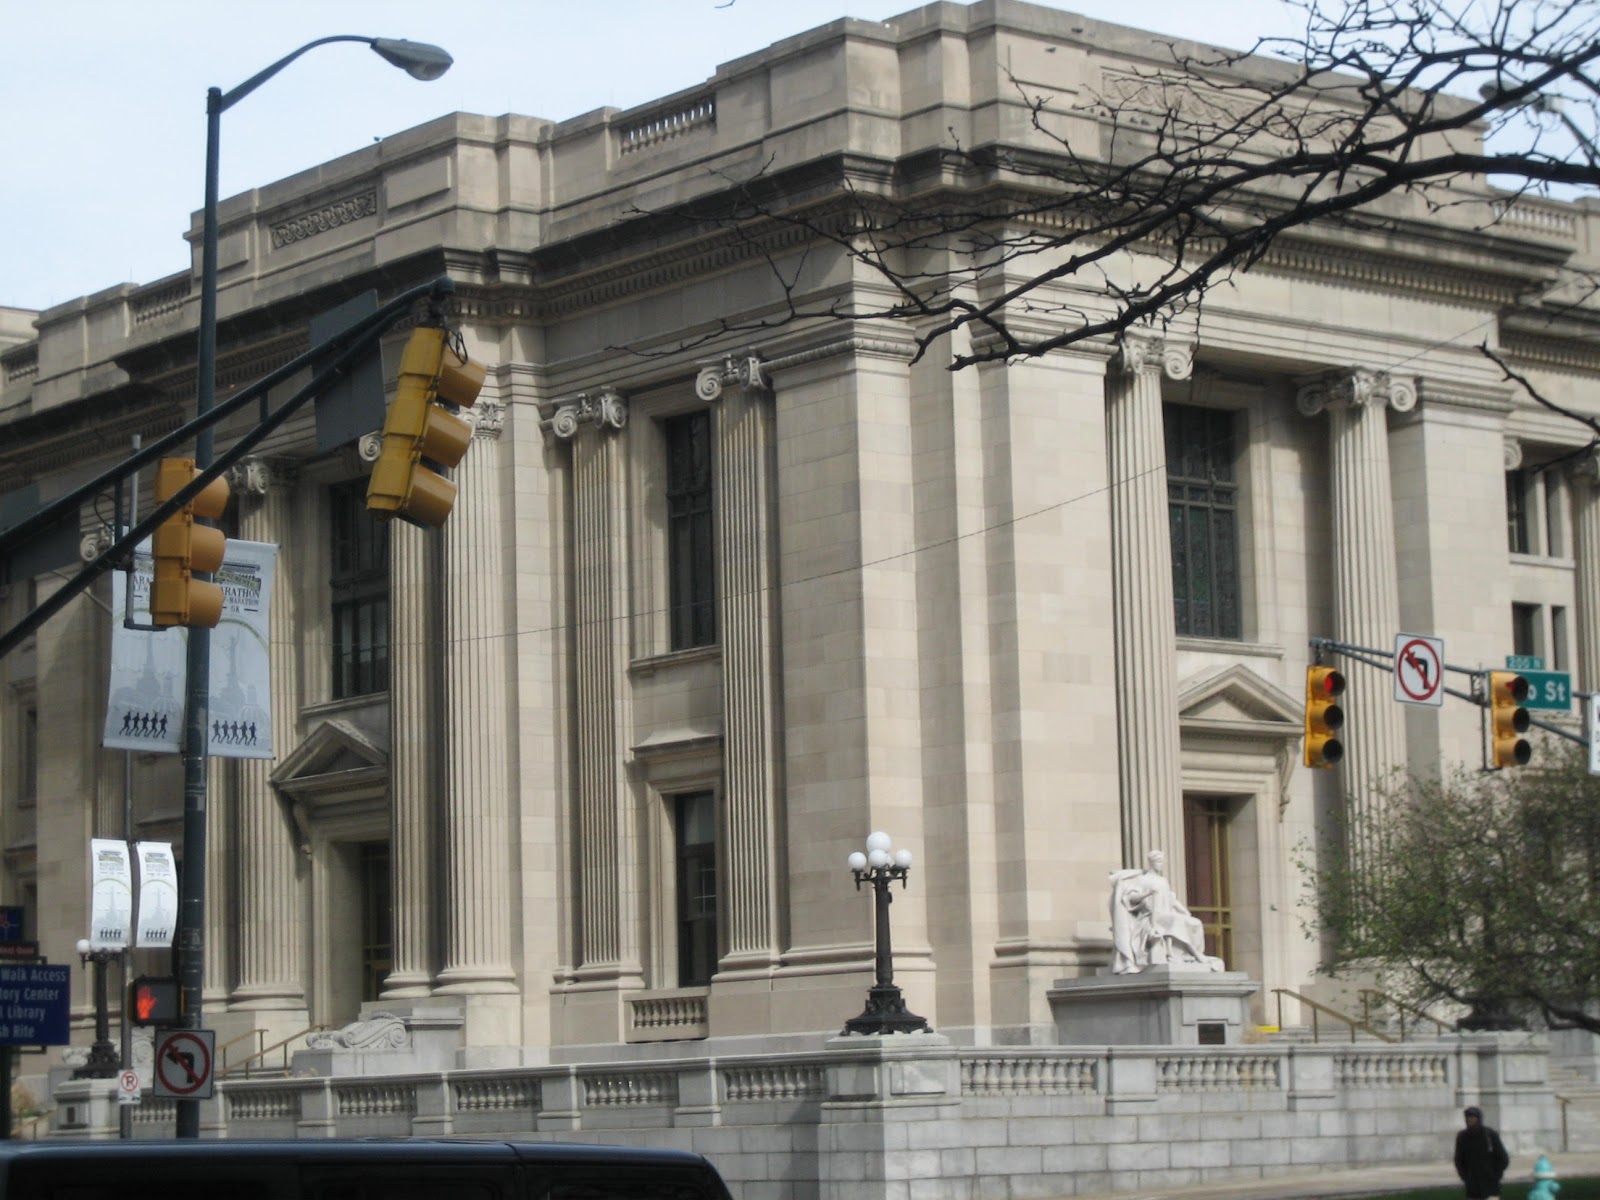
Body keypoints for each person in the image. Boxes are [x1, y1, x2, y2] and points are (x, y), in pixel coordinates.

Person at [1108, 849, 1223, 974]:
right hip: (1149, 917)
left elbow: (1171, 899)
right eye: (1158, 862)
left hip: (1165, 914)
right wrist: (1147, 893)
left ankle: (1188, 953)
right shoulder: (1143, 880)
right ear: (1152, 863)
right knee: (1175, 921)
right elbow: (1130, 898)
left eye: (1162, 862)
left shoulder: (1163, 881)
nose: (1161, 865)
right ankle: (1194, 954)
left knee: (1195, 923)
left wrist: (1184, 910)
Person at [1454, 1106, 1510, 1200]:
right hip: (1472, 1188)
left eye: (1472, 1117)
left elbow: (1503, 1158)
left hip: (1491, 1186)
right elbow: (1459, 1160)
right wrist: (1465, 1177)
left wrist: (1495, 1175)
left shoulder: (1490, 1135)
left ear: (1478, 1119)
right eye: (1468, 1117)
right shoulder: (1462, 1137)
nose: (1469, 1120)